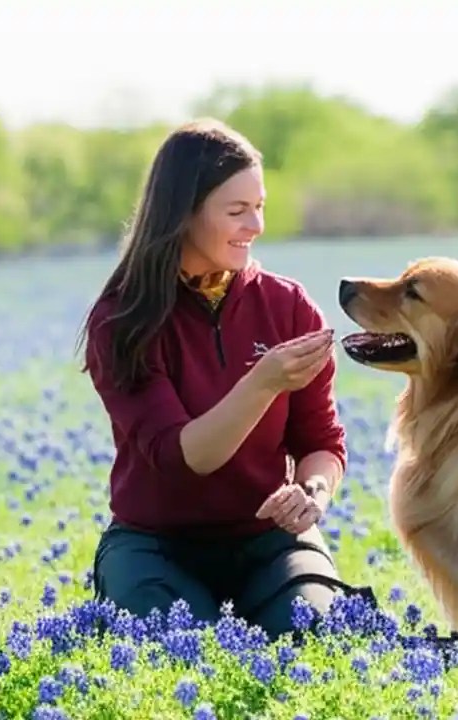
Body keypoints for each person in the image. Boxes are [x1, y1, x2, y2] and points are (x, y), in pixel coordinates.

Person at [77, 117, 348, 640]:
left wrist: (312, 492)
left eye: (260, 207)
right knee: (186, 650)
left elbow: (322, 442)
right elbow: (185, 459)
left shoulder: (287, 306)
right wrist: (262, 381)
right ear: (183, 213)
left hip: (270, 543)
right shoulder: (123, 319)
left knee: (314, 632)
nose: (256, 226)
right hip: (155, 545)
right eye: (236, 211)